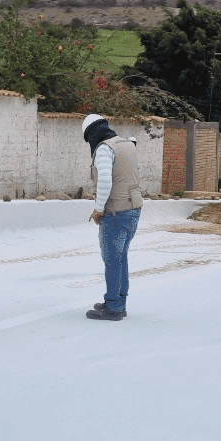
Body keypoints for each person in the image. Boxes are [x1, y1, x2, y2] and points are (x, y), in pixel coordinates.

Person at [81, 113, 143, 321]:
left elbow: (105, 181)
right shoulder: (126, 144)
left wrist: (98, 209)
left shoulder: (104, 149)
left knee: (112, 260)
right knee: (121, 257)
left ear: (91, 134)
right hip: (133, 209)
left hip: (116, 212)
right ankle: (118, 301)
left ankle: (114, 307)